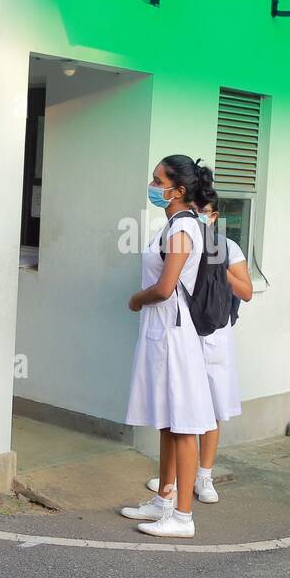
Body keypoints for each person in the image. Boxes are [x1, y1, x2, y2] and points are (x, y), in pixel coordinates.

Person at [121, 155, 218, 538]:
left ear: (177, 191)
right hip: (163, 332)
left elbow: (165, 287)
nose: (153, 184)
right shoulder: (176, 224)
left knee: (183, 424)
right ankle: (164, 499)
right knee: (167, 421)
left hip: (174, 335)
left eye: (158, 180)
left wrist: (135, 299)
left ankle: (182, 516)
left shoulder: (182, 229)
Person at [143, 192, 253, 504]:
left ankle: (204, 476)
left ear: (215, 217)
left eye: (204, 212)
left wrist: (217, 268)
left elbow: (246, 291)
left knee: (211, 407)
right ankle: (173, 480)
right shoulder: (181, 238)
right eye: (196, 210)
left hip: (214, 335)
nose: (198, 216)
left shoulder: (225, 247)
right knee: (180, 405)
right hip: (184, 333)